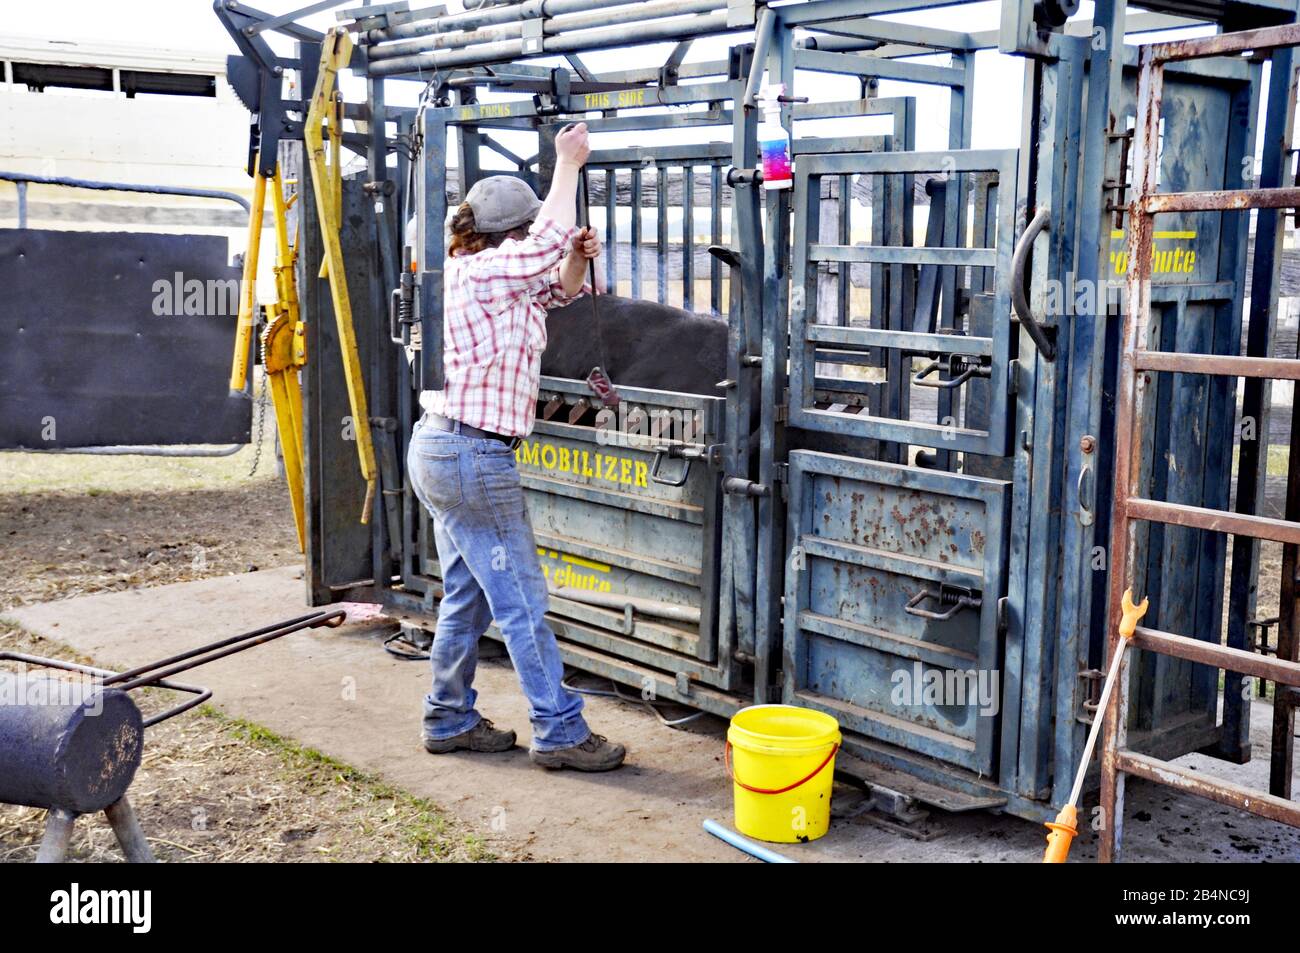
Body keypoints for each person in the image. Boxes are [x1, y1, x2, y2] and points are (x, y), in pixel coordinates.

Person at [407, 123, 625, 772]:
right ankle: (559, 728)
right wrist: (567, 165)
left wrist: (579, 257)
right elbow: (544, 245)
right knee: (522, 598)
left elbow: (557, 287)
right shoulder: (486, 271)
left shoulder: (495, 275)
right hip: (472, 454)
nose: (538, 238)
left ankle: (448, 715)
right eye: (529, 231)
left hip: (446, 449)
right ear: (511, 236)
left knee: (469, 595)